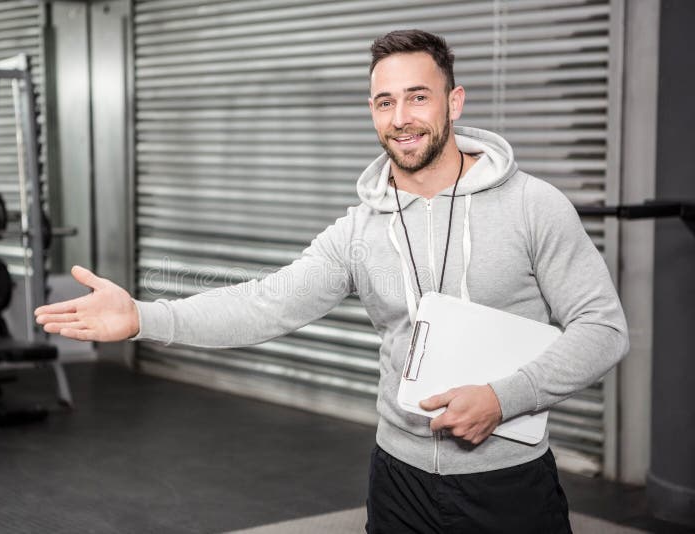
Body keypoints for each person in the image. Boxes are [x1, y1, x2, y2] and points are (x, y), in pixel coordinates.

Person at [36, 30, 629, 533]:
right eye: (384, 102)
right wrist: (145, 316)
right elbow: (268, 303)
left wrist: (505, 397)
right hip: (400, 481)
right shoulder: (359, 230)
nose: (401, 119)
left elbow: (603, 330)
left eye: (418, 97)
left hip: (509, 483)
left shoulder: (533, 206)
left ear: (454, 103)